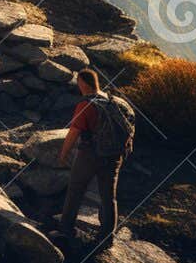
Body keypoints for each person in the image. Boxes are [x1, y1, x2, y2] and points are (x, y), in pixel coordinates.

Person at [52, 69, 136, 246]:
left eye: (78, 82)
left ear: (83, 82)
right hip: (114, 156)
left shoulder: (86, 105)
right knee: (108, 196)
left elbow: (74, 132)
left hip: (90, 155)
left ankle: (66, 229)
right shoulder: (115, 102)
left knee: (76, 189)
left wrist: (63, 153)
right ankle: (106, 237)